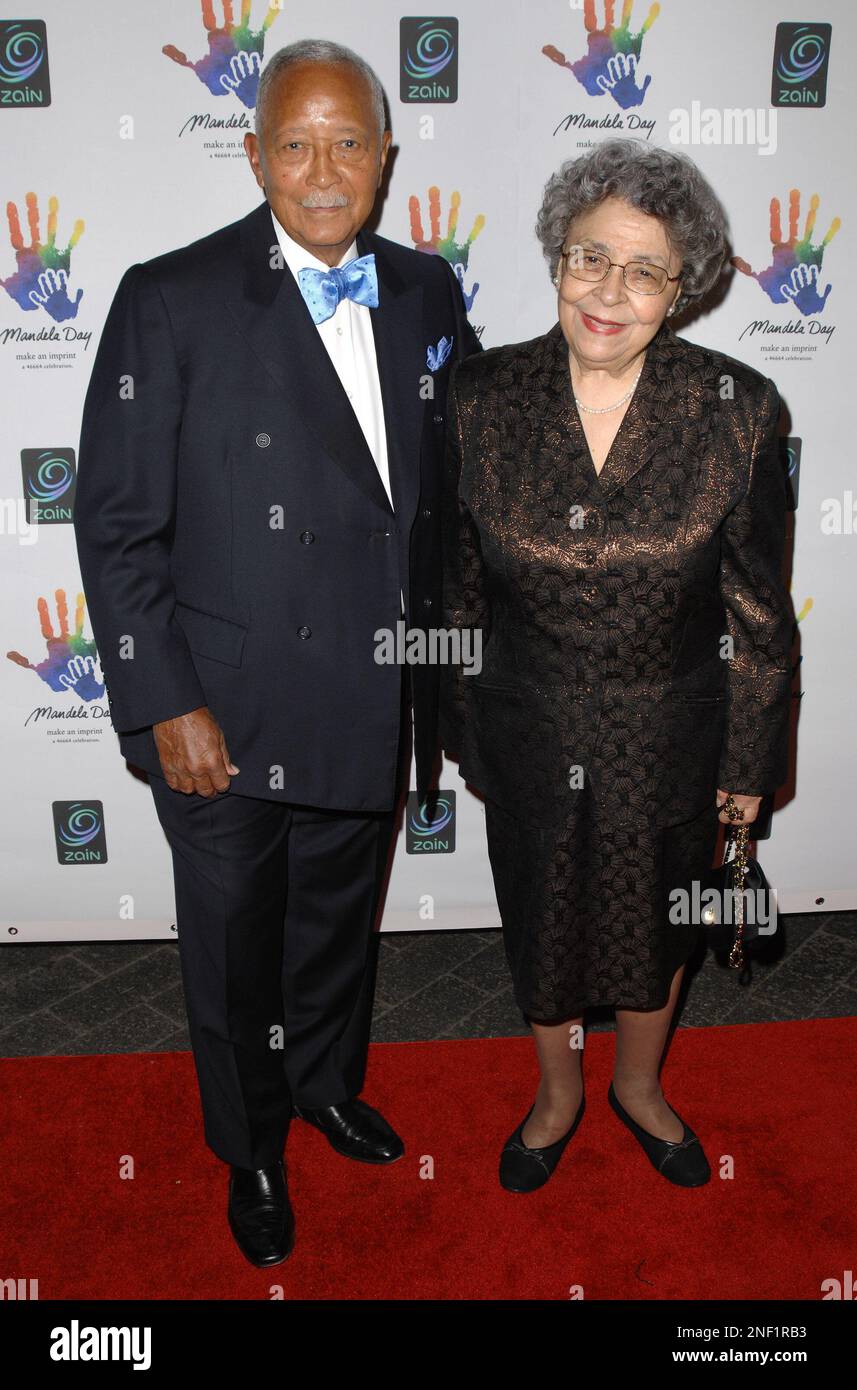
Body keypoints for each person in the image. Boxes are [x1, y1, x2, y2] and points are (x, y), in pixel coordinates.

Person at [74, 39, 479, 1266]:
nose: (320, 170)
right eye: (293, 144)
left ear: (385, 155)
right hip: (224, 711)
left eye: (346, 142)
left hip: (368, 688)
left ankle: (323, 1086)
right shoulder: (170, 295)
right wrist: (163, 700)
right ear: (252, 155)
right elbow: (117, 522)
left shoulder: (423, 292)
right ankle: (249, 1146)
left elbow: (437, 499)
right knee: (237, 945)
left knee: (336, 928)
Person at [440, 139, 793, 1193]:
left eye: (644, 270)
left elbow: (758, 613)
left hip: (669, 732)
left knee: (661, 925)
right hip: (528, 726)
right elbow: (454, 591)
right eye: (590, 256)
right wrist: (466, 731)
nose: (609, 290)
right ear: (555, 256)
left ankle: (638, 1087)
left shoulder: (737, 409)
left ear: (680, 290)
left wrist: (745, 766)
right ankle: (555, 1096)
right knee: (541, 923)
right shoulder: (474, 398)